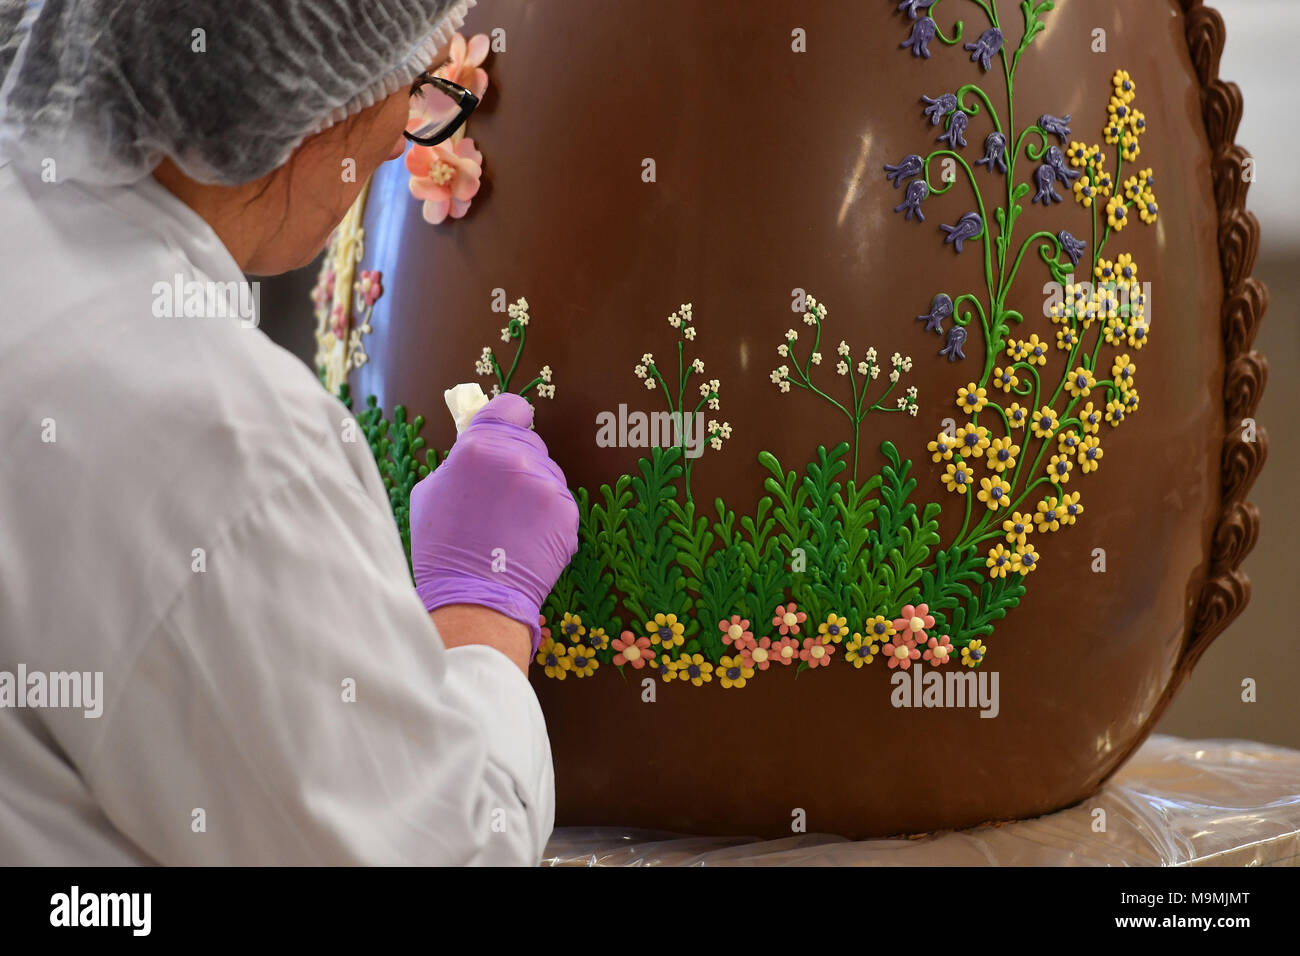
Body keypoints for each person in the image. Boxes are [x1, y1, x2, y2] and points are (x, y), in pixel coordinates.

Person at [0, 0, 578, 864]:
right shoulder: (226, 452)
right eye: (402, 85)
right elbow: (445, 850)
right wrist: (479, 618)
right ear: (302, 95)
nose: (399, 144)